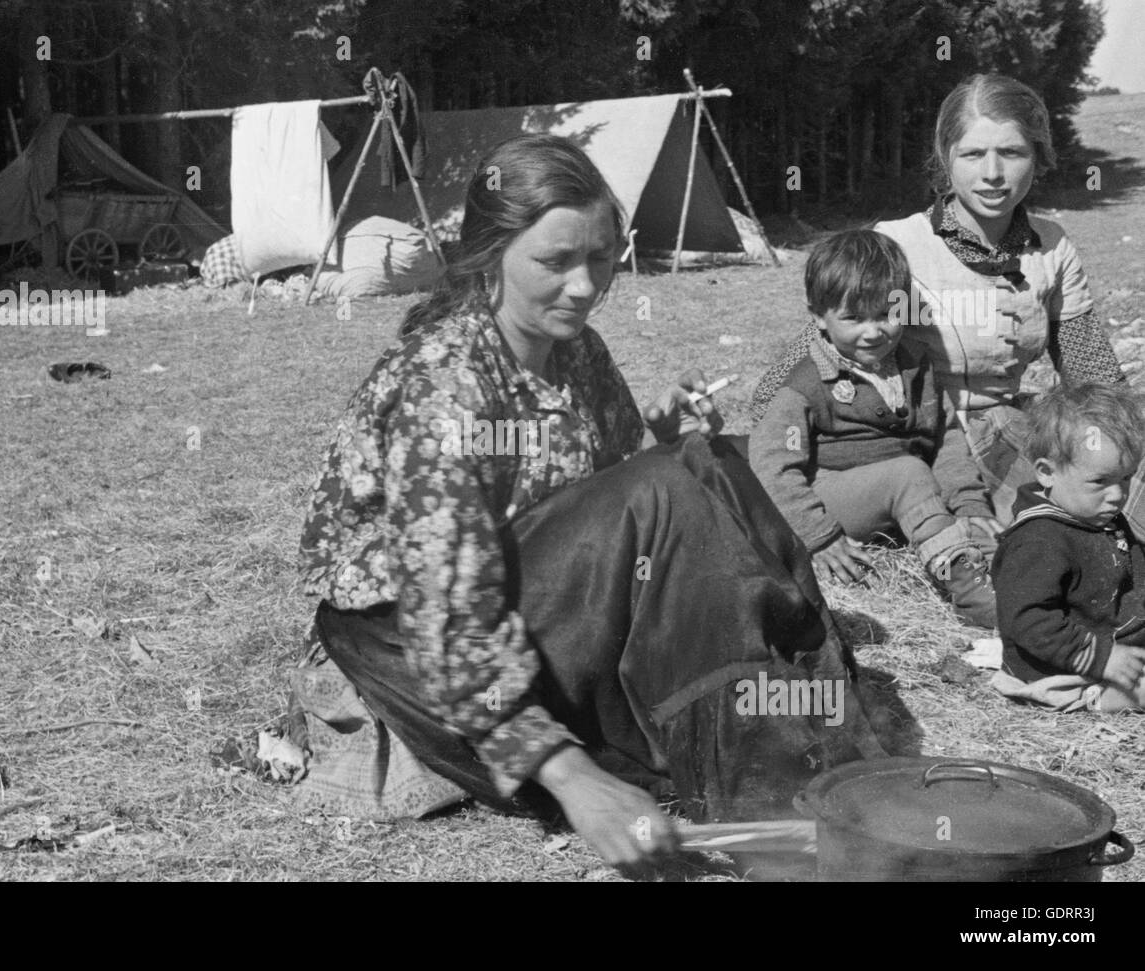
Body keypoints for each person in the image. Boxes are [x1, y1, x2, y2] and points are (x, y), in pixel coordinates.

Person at [296, 133, 882, 874]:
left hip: (515, 598)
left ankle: (787, 701)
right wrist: (573, 778)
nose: (584, 284)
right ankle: (754, 756)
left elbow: (614, 512)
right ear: (490, 252)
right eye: (555, 261)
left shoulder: (578, 353)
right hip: (412, 641)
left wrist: (668, 442)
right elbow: (446, 606)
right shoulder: (446, 383)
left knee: (714, 459)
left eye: (601, 257)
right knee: (673, 482)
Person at [750, 73, 1136, 550]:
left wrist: (1122, 435)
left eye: (1012, 153)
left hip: (1010, 429)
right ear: (945, 159)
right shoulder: (900, 245)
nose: (992, 173)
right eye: (973, 154)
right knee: (1053, 537)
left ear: (1037, 157)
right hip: (921, 443)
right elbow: (795, 376)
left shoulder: (1051, 247)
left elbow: (1092, 374)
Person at [749, 230, 996, 627]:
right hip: (834, 493)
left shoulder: (916, 364)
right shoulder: (806, 384)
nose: (873, 331)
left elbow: (945, 437)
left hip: (901, 491)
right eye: (853, 317)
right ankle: (968, 590)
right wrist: (818, 534)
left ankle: (993, 567)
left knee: (979, 522)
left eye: (886, 314)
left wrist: (969, 503)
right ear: (818, 317)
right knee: (909, 474)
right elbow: (769, 462)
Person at [991, 382, 1145, 713]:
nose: (1118, 494)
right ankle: (1099, 699)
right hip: (1065, 665)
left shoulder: (1098, 515)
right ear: (1047, 473)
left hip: (1118, 643)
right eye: (1100, 481)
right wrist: (1101, 658)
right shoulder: (1038, 539)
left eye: (1126, 478)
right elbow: (1029, 621)